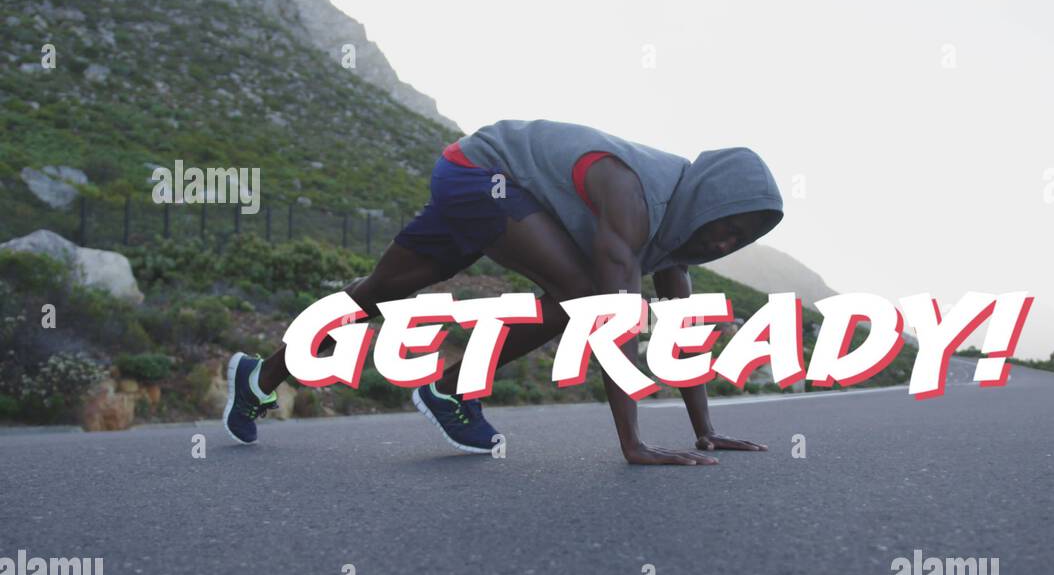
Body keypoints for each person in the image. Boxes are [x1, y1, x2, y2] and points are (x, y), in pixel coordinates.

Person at [224, 119, 783, 465]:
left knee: (380, 291)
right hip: (483, 172)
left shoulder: (677, 237)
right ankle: (451, 388)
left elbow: (683, 338)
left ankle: (259, 378)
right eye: (728, 223)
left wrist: (705, 431)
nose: (727, 242)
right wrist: (633, 446)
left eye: (743, 238)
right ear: (708, 198)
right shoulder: (635, 197)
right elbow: (610, 322)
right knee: (581, 292)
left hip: (480, 174)